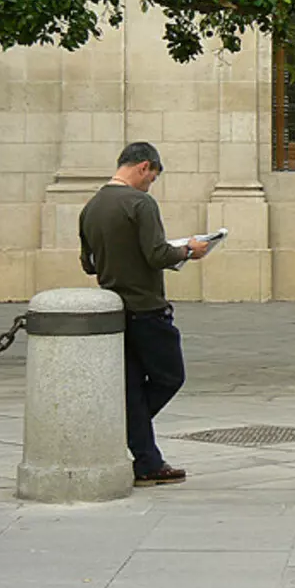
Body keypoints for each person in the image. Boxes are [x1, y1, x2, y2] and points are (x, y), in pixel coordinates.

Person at [78, 142, 210, 486]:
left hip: (113, 309)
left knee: (133, 386)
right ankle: (124, 428)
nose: (150, 184)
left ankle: (147, 461)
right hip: (146, 307)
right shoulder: (140, 203)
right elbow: (155, 255)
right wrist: (188, 250)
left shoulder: (91, 207)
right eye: (152, 177)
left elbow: (88, 264)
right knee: (169, 377)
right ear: (144, 167)